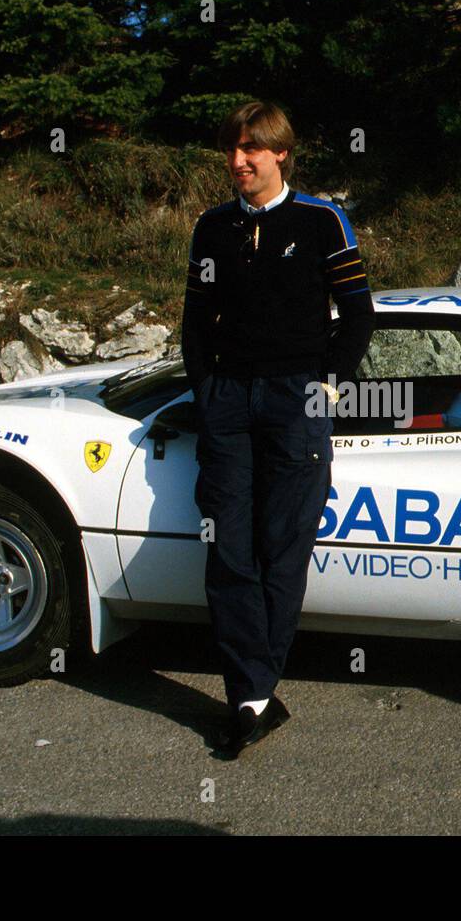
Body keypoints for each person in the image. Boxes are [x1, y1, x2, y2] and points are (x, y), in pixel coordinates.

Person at [181, 101, 375, 759]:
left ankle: (254, 693)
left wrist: (328, 382)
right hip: (230, 398)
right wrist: (209, 395)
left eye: (250, 151)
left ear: (280, 153)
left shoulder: (321, 220)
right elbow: (193, 321)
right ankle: (251, 695)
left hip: (298, 399)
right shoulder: (211, 227)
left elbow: (358, 316)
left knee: (282, 544)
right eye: (231, 151)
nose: (237, 162)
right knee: (228, 546)